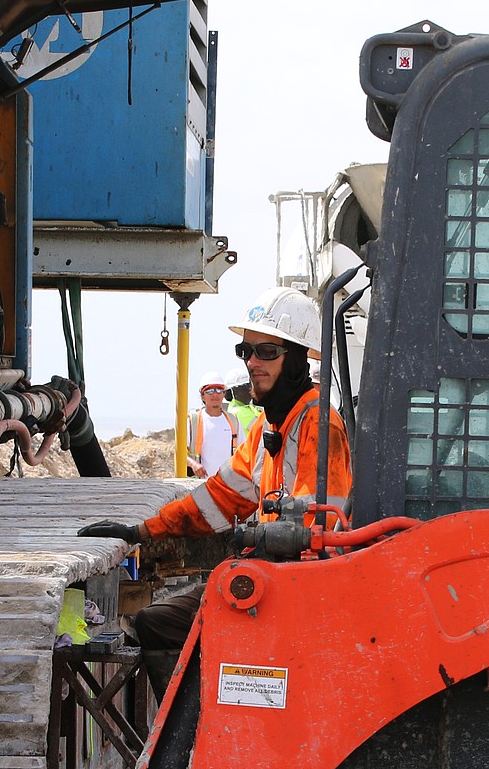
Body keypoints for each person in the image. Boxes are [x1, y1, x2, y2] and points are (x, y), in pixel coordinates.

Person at [77, 287, 352, 676]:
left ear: (296, 360)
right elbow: (217, 500)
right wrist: (140, 531)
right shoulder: (268, 427)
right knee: (154, 620)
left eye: (267, 352)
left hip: (294, 596)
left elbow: (319, 529)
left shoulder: (320, 426)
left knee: (157, 623)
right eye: (247, 352)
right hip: (269, 581)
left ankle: (195, 732)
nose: (253, 362)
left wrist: (256, 545)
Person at [185, 372, 241, 478]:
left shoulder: (233, 421)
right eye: (210, 391)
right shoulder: (193, 421)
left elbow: (244, 451)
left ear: (224, 394)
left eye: (219, 390)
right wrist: (194, 464)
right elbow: (180, 454)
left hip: (227, 485)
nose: (215, 394)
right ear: (202, 396)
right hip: (200, 485)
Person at [223, 365, 259, 431]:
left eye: (249, 385)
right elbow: (263, 427)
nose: (249, 389)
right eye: (245, 387)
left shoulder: (246, 406)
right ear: (235, 392)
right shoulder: (238, 412)